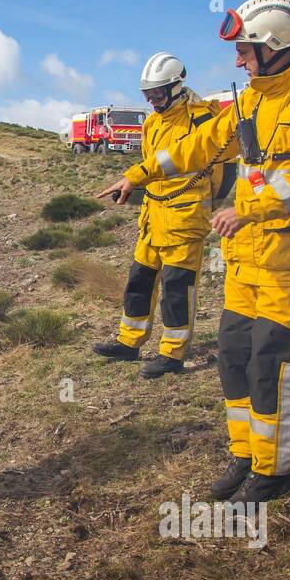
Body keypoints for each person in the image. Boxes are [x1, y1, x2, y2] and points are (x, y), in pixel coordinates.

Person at [117, 0, 290, 506]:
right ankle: (244, 454)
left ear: (275, 46)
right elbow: (196, 149)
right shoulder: (249, 101)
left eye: (245, 50)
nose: (239, 61)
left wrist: (254, 207)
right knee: (234, 357)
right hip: (246, 259)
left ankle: (275, 468)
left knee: (274, 362)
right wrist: (134, 174)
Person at [93, 52, 224, 378]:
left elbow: (221, 171)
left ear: (177, 87)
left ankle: (172, 354)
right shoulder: (151, 122)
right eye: (147, 95)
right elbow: (152, 169)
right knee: (139, 280)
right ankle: (129, 342)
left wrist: (208, 204)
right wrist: (130, 190)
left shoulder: (202, 120)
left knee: (177, 288)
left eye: (158, 94)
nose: (152, 101)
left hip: (184, 219)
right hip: (152, 217)